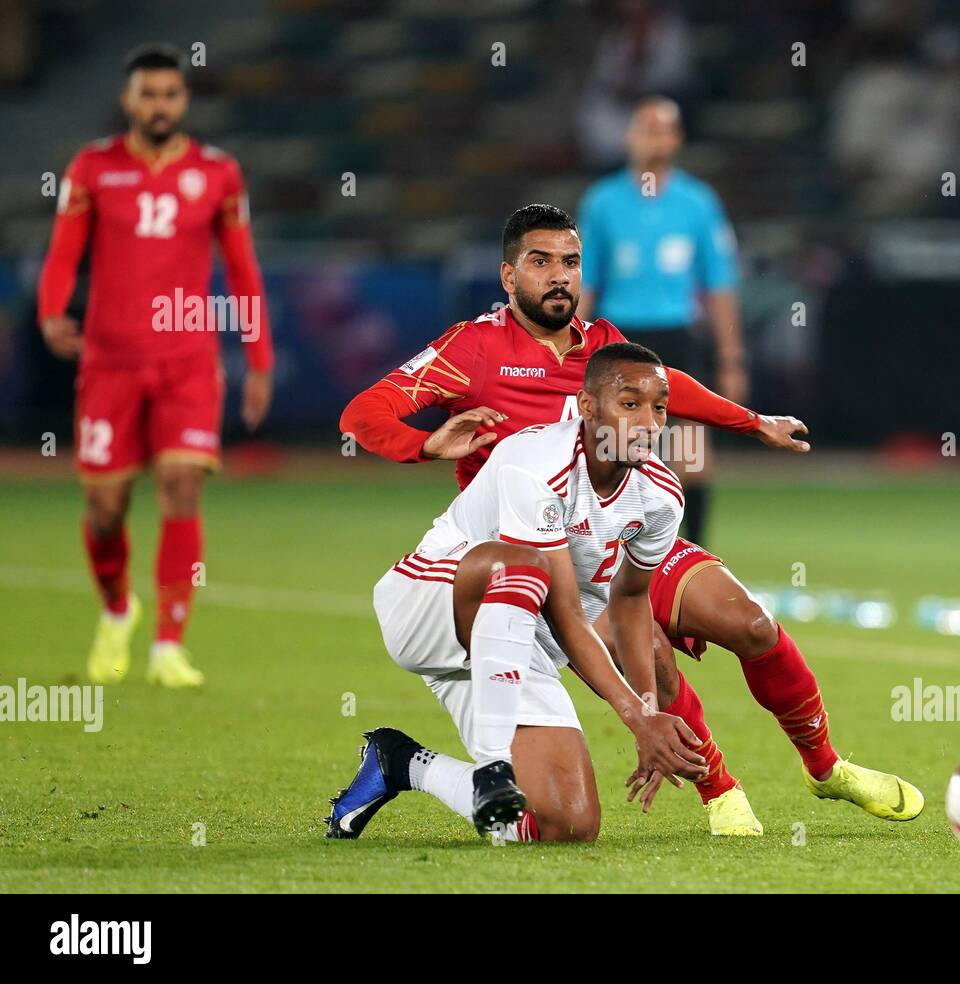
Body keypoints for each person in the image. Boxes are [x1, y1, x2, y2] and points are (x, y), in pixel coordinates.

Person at [338, 204, 924, 836]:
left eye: (570, 263)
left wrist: (752, 421)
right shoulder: (472, 349)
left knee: (749, 622)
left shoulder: (605, 348)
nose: (558, 276)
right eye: (541, 263)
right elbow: (364, 413)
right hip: (525, 556)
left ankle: (826, 767)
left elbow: (665, 383)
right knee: (647, 658)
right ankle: (718, 790)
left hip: (611, 519)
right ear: (509, 277)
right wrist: (424, 444)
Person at [327, 343, 707, 842]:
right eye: (629, 403)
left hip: (513, 646)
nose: (648, 422)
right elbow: (567, 612)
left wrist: (650, 713)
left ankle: (400, 764)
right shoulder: (535, 460)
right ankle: (492, 767)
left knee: (565, 826)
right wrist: (635, 717)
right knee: (525, 566)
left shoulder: (660, 496)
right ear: (587, 407)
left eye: (658, 406)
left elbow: (630, 602)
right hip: (431, 604)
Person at [37, 43, 274, 686]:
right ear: (128, 100)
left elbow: (243, 269)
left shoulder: (218, 173)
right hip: (110, 362)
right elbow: (64, 252)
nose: (160, 105)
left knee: (181, 484)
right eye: (149, 94)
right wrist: (52, 310)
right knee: (105, 508)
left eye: (171, 94)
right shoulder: (92, 167)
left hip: (188, 361)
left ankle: (169, 643)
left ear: (183, 101)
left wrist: (258, 358)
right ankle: (118, 608)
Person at [575, 96, 745, 548]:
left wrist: (731, 358)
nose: (652, 137)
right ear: (629, 135)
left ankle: (694, 557)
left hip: (677, 338)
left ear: (676, 139)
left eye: (661, 128)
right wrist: (568, 347)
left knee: (691, 450)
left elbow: (720, 285)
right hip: (620, 337)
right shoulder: (603, 202)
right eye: (644, 127)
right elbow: (586, 279)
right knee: (611, 447)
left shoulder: (698, 203)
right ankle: (605, 553)